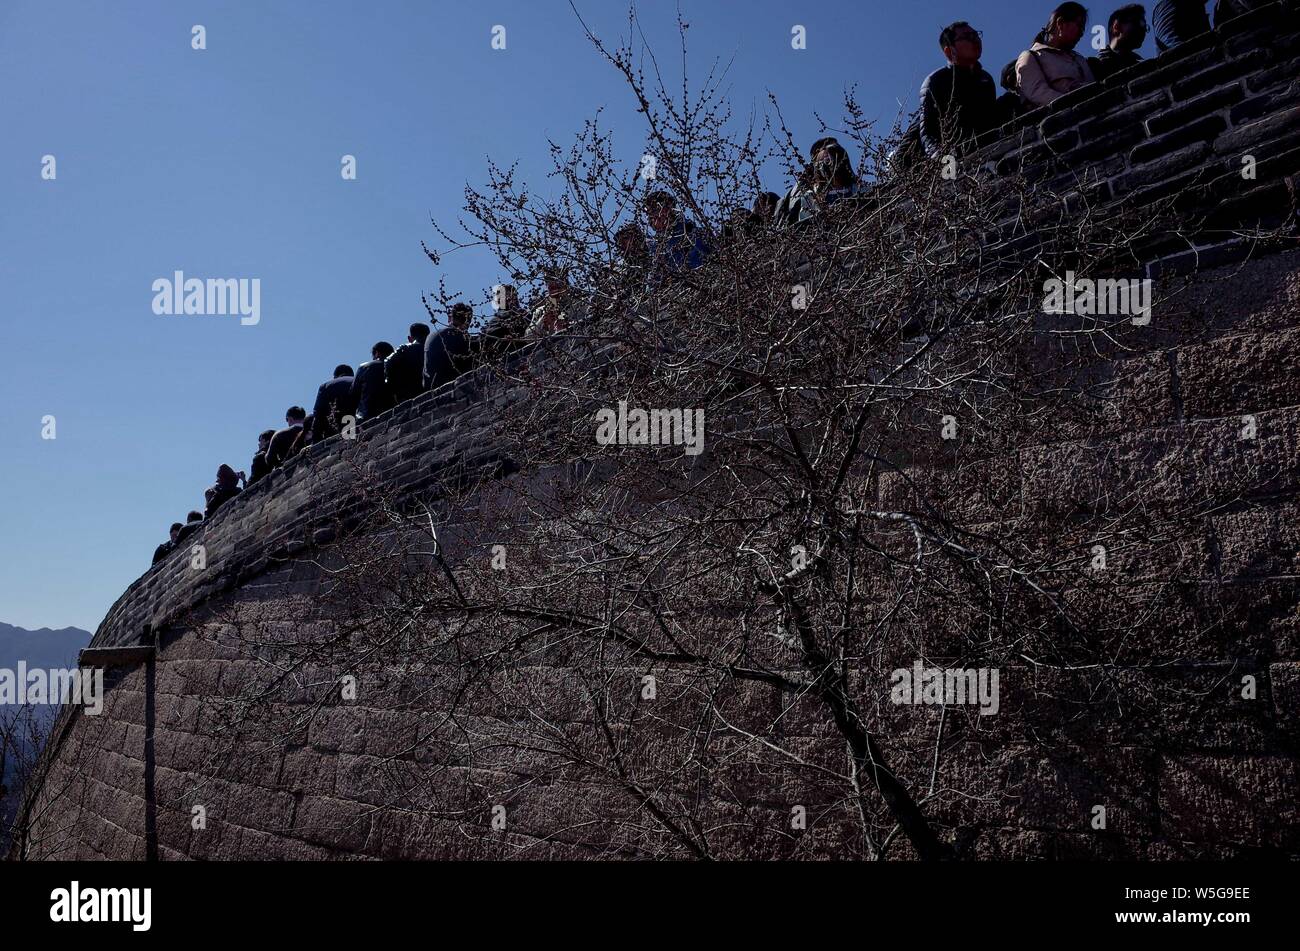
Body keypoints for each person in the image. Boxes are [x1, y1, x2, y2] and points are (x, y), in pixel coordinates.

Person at [919, 22, 998, 158]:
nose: (975, 40)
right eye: (967, 37)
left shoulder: (985, 79)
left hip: (986, 151)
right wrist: (943, 159)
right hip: (950, 155)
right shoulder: (936, 81)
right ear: (949, 51)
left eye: (976, 35)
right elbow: (928, 131)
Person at [1015, 3, 1096, 108]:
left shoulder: (1080, 59)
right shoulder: (1031, 57)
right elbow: (1038, 93)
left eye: (1083, 29)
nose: (1081, 33)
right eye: (1079, 26)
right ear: (1060, 23)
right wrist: (1074, 104)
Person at [780, 139, 867, 225]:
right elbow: (806, 226)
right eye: (824, 161)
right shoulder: (810, 196)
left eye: (834, 156)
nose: (830, 164)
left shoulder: (860, 189)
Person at [644, 191, 710, 271]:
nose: (653, 216)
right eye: (649, 212)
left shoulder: (690, 231)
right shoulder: (654, 246)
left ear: (670, 209)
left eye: (656, 209)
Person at [1089, 5, 1148, 81]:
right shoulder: (1094, 66)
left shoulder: (1142, 64)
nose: (1143, 29)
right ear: (1116, 27)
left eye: (1145, 26)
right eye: (1138, 22)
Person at [425, 304, 473, 389]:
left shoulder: (433, 336)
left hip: (430, 389)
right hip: (449, 388)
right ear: (468, 322)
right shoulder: (461, 338)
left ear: (450, 318)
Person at [476, 285, 530, 360]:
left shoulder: (525, 316)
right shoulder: (495, 321)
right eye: (505, 297)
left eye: (512, 296)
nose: (509, 299)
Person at [385, 324, 431, 403]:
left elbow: (388, 362)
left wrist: (393, 389)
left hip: (406, 396)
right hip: (428, 392)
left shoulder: (404, 349)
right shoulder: (432, 349)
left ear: (410, 338)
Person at [351, 342, 396, 421]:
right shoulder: (395, 366)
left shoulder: (364, 367)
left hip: (366, 414)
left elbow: (354, 392)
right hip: (391, 412)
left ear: (377, 353)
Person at [310, 365, 356, 441]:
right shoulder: (356, 381)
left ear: (335, 377)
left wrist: (316, 441)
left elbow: (318, 413)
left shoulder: (325, 386)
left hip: (334, 433)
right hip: (356, 426)